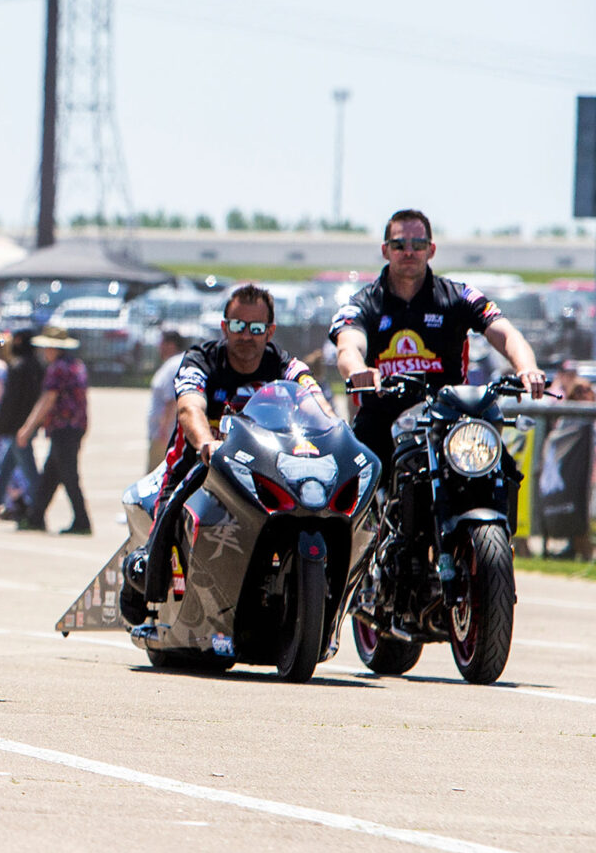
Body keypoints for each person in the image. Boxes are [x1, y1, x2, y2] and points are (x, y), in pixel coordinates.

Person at [129, 284, 322, 614]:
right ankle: (144, 581)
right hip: (200, 466)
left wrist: (334, 427)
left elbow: (313, 399)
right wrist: (206, 442)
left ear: (270, 331)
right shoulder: (200, 360)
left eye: (256, 328)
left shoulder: (284, 365)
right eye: (238, 326)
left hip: (264, 470)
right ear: (224, 327)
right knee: (164, 532)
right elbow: (189, 406)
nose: (246, 335)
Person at [332, 208, 545, 475]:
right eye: (399, 245)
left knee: (503, 473)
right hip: (382, 419)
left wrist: (527, 368)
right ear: (385, 251)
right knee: (354, 479)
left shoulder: (458, 295)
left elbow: (505, 333)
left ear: (431, 250)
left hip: (450, 419)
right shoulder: (363, 303)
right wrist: (358, 370)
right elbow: (348, 346)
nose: (409, 252)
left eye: (418, 245)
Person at [17, 328, 91, 534]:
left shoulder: (57, 369)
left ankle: (82, 521)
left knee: (69, 475)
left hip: (64, 428)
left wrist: (27, 428)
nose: (44, 351)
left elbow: (48, 399)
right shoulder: (76, 365)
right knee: (51, 474)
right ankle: (35, 517)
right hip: (74, 427)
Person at [0, 329, 45, 526]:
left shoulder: (19, 367)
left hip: (18, 429)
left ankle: (37, 515)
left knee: (30, 473)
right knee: (4, 470)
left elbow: (11, 402)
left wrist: (1, 427)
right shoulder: (38, 367)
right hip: (26, 426)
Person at [537, 379, 594, 561]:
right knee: (577, 510)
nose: (584, 394)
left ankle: (585, 552)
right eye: (579, 390)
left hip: (592, 470)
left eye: (587, 389)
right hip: (577, 471)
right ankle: (576, 549)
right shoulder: (567, 416)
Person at [147, 330, 186, 471]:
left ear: (171, 345)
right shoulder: (176, 362)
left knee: (156, 476)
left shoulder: (174, 365)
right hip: (168, 433)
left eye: (162, 343)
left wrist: (163, 429)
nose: (159, 347)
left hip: (165, 434)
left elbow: (172, 400)